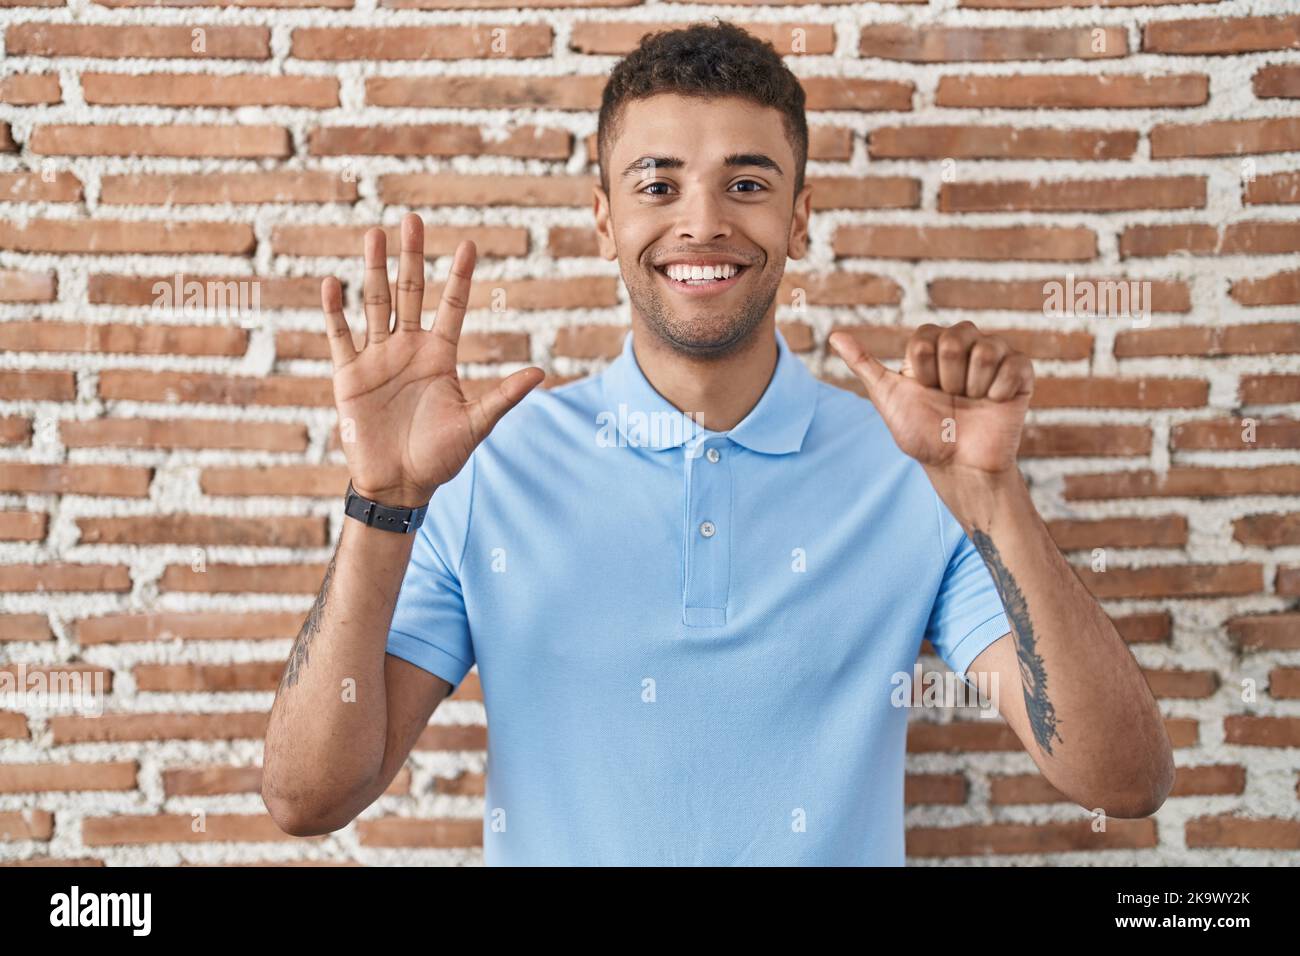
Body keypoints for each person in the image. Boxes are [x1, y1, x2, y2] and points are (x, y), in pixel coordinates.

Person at [262, 20, 1174, 865]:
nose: (702, 222)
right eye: (657, 185)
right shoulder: (483, 465)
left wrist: (996, 501)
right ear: (603, 220)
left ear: (800, 217)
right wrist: (383, 500)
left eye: (747, 184)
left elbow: (1122, 783)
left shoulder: (915, 470)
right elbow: (309, 798)